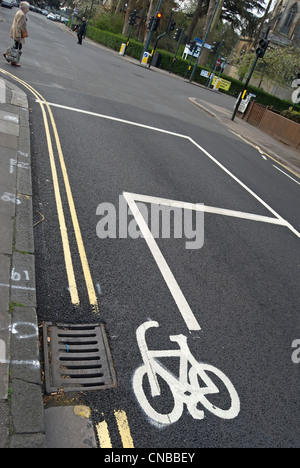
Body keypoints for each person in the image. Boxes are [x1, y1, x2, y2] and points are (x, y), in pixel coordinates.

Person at [3, 1, 30, 67]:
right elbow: (19, 26)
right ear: (25, 8)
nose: (28, 9)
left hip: (14, 31)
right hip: (17, 33)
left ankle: (8, 54)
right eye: (28, 8)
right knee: (18, 47)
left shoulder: (20, 12)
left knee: (16, 45)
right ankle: (13, 60)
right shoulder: (22, 15)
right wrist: (18, 36)